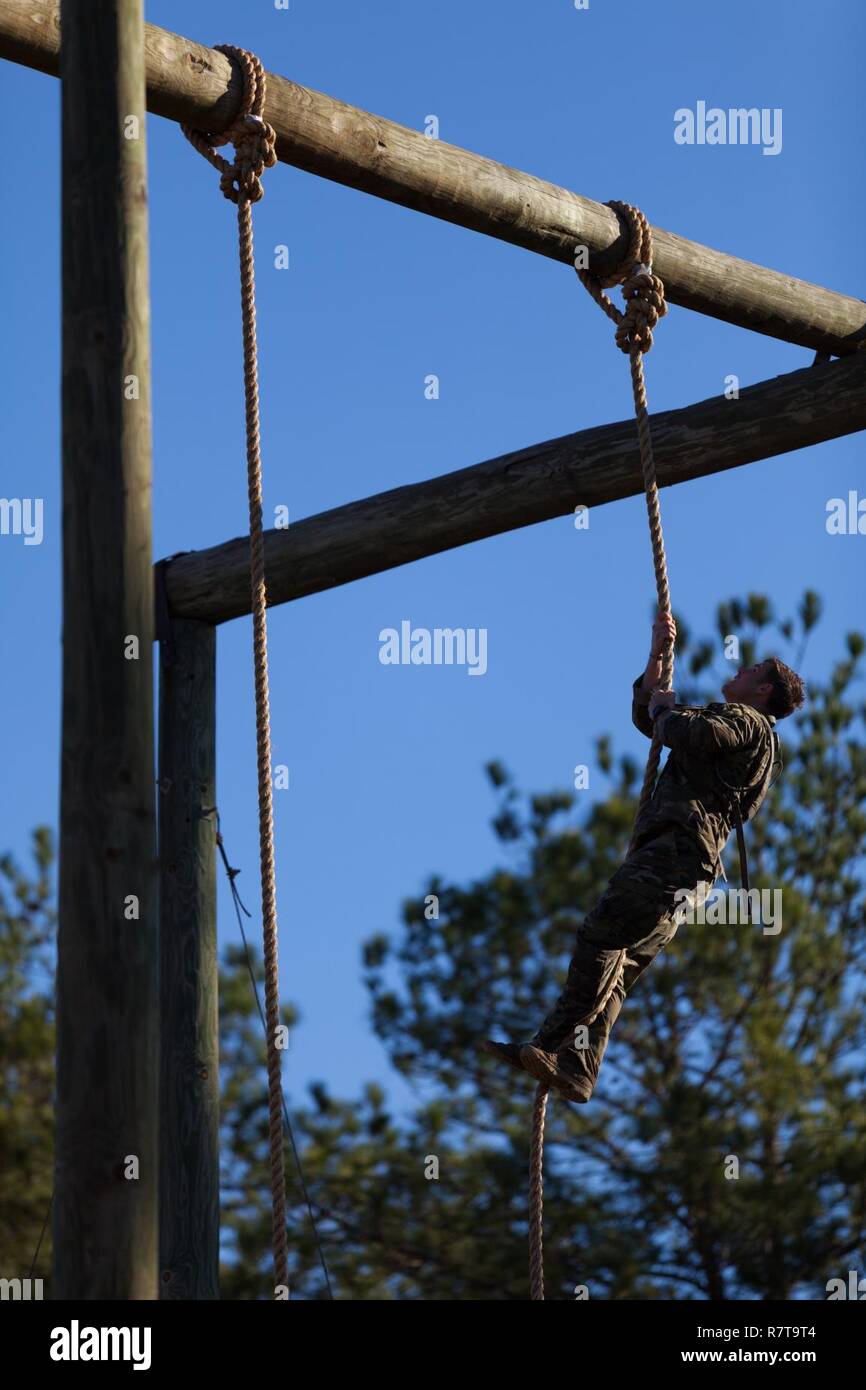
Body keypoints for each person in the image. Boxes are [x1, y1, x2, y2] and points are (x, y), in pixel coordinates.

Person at [485, 613, 806, 1104]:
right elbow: (651, 721)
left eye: (751, 671)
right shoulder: (747, 732)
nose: (739, 671)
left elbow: (687, 732)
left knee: (600, 934)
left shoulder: (746, 721)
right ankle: (578, 1067)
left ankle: (549, 1044)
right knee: (618, 970)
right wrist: (658, 660)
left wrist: (664, 713)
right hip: (690, 875)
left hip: (674, 855)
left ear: (763, 691)